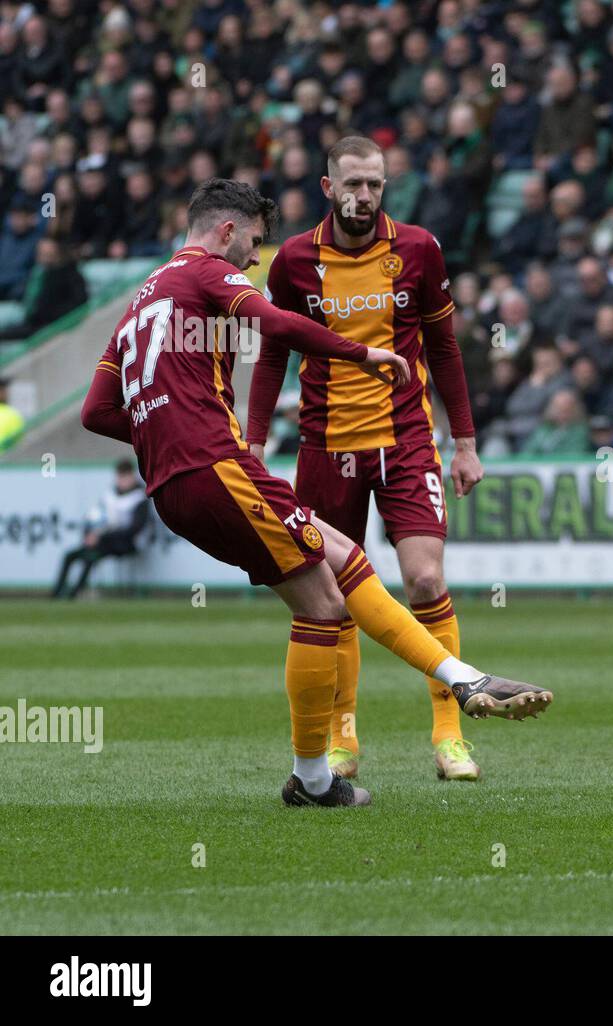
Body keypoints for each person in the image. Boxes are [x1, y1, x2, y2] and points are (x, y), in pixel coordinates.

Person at [81, 178, 552, 809]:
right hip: (215, 469)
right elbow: (277, 324)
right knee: (342, 570)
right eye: (252, 243)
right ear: (225, 231)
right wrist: (361, 353)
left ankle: (318, 778)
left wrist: (160, 431)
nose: (254, 259)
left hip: (174, 485)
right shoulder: (203, 272)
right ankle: (460, 681)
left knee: (327, 596)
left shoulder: (140, 301)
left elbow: (95, 411)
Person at [247, 137, 488, 784]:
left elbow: (444, 346)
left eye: (374, 185)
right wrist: (252, 438)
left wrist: (463, 442)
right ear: (328, 188)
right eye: (352, 185)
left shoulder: (418, 249)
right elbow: (274, 353)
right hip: (325, 444)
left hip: (406, 437)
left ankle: (449, 735)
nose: (363, 197)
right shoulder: (294, 260)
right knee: (334, 594)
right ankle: (344, 739)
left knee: (425, 582)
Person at [51, 459, 150, 599]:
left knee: (91, 556)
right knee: (70, 555)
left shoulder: (140, 498)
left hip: (125, 543)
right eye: (120, 476)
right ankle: (55, 594)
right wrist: (89, 533)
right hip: (102, 541)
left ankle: (74, 594)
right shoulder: (109, 496)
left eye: (125, 477)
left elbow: (134, 529)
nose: (122, 480)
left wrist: (101, 537)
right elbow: (94, 517)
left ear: (132, 476)